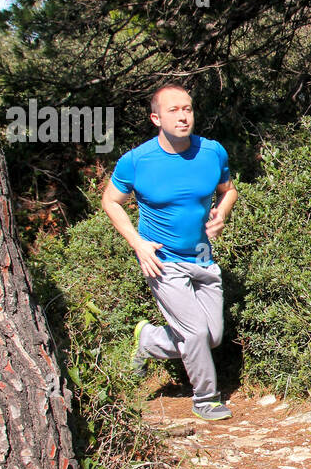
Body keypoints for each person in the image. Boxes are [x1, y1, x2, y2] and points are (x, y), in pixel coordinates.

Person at [101, 84, 238, 420]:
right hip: (161, 259)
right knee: (194, 333)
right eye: (174, 110)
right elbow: (110, 201)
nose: (182, 116)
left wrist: (222, 213)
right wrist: (137, 242)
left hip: (203, 257)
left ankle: (148, 341)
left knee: (212, 338)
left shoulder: (212, 152)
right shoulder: (136, 161)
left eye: (187, 109)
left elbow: (228, 190)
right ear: (156, 118)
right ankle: (206, 400)